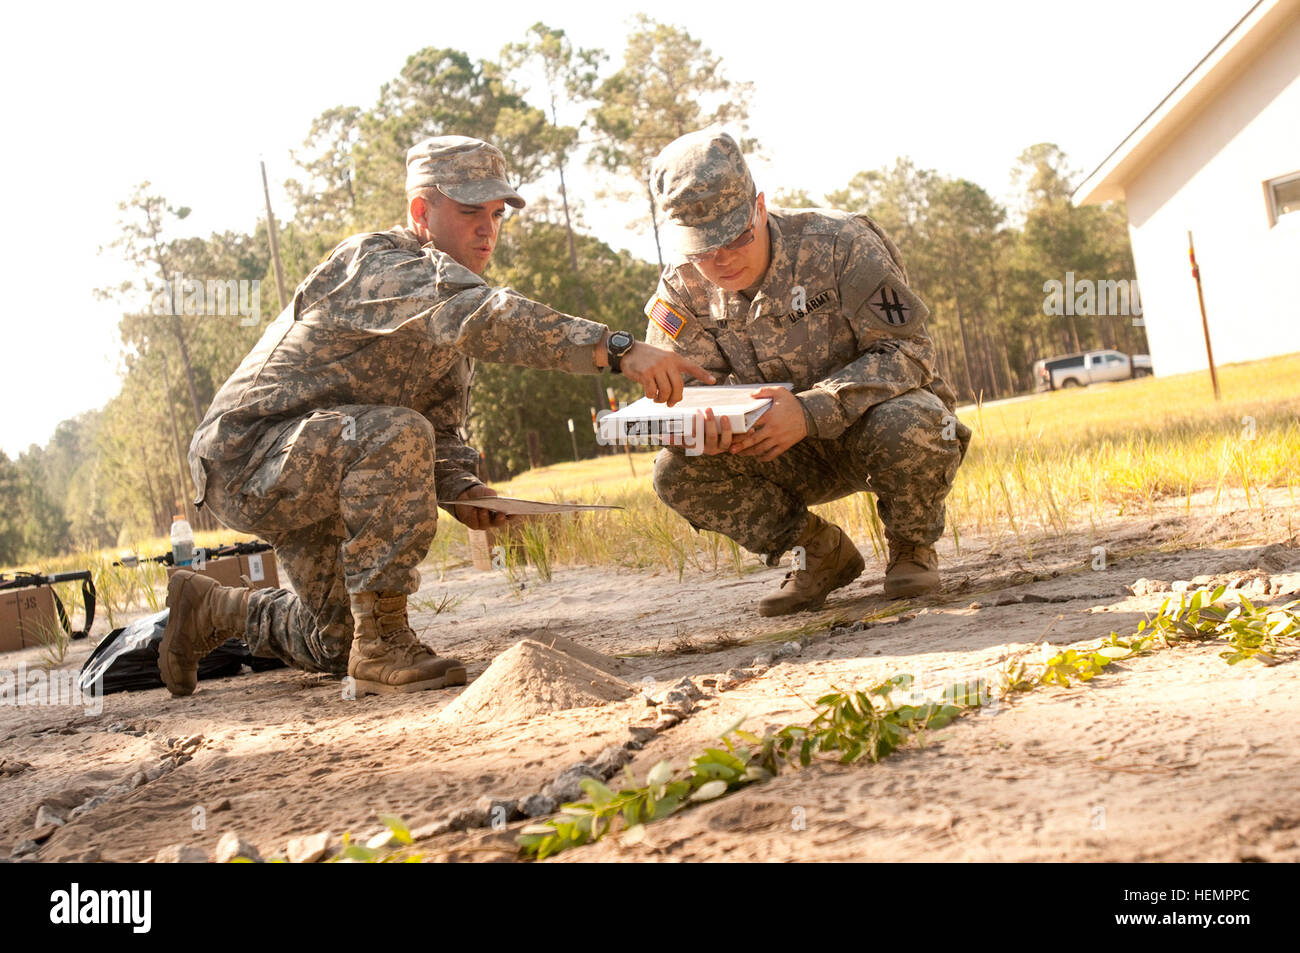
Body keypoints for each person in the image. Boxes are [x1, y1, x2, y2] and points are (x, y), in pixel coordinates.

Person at [162, 135, 712, 697]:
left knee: (332, 643)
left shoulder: (451, 319)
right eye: (470, 210)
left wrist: (466, 489)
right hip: (244, 457)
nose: (487, 229)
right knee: (395, 435)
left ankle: (213, 607)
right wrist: (618, 348)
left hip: (322, 462)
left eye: (496, 214)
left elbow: (441, 434)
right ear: (421, 212)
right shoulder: (377, 265)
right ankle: (384, 644)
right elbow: (483, 318)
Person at [643, 129, 971, 617]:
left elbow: (909, 350)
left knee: (912, 421)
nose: (722, 258)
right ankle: (817, 554)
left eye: (734, 237)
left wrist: (813, 408)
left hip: (872, 428)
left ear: (759, 205)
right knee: (677, 470)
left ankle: (911, 546)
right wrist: (701, 427)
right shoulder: (681, 293)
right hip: (776, 451)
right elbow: (682, 394)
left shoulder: (840, 243)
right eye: (702, 248)